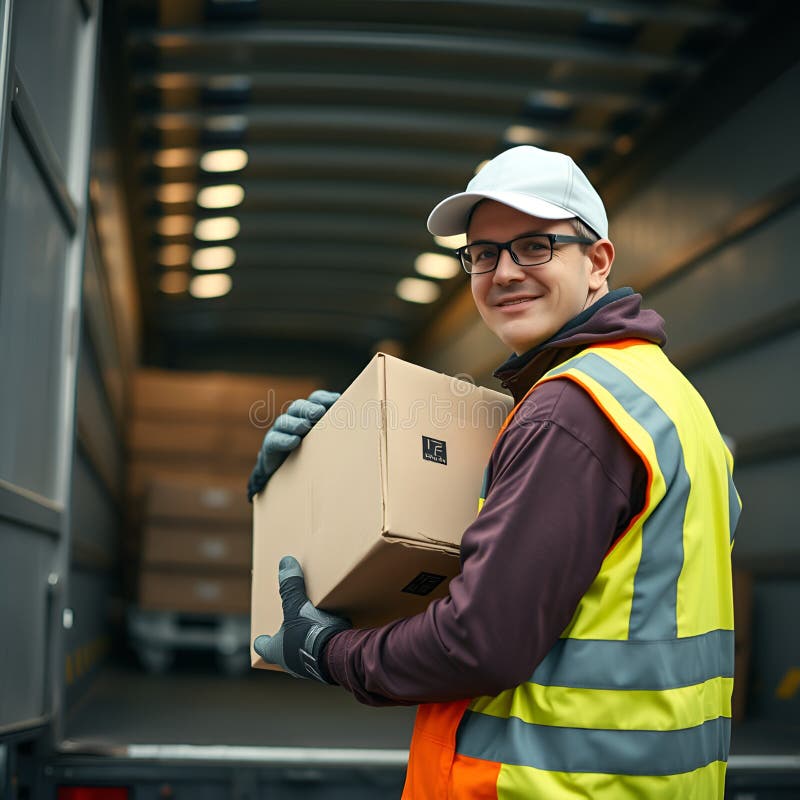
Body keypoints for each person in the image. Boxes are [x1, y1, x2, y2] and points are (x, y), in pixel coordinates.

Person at [248, 145, 741, 798]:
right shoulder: (665, 398)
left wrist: (329, 654)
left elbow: (478, 641)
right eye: (483, 254)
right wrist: (336, 461)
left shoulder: (571, 411)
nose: (503, 272)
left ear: (597, 262)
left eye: (535, 246)